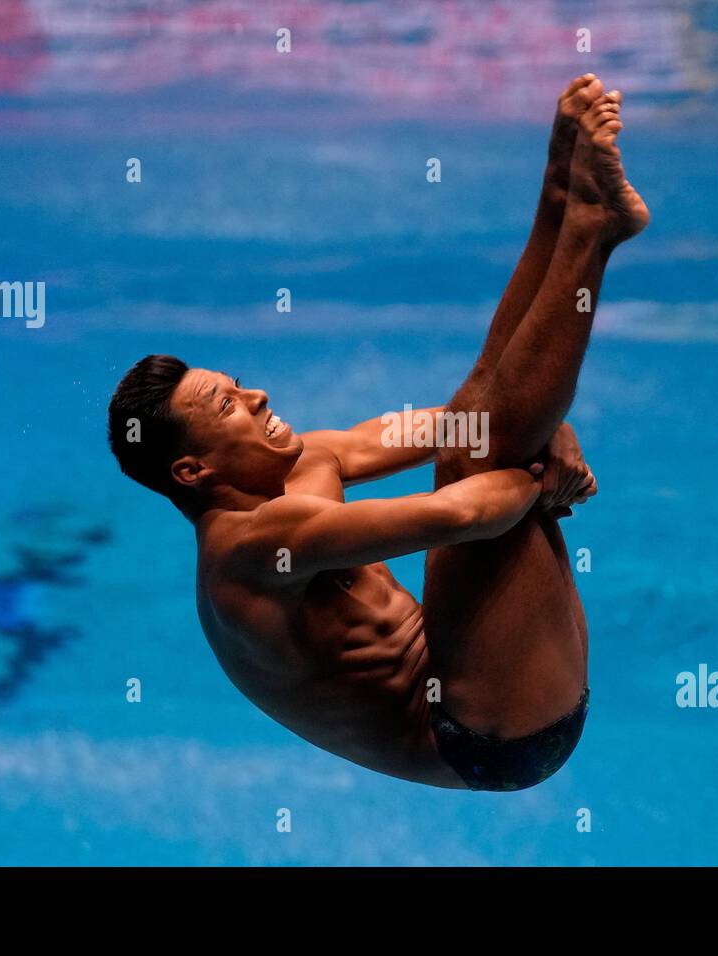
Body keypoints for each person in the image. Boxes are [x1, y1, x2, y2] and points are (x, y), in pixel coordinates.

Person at [107, 75, 648, 789]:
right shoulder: (250, 552)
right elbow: (462, 514)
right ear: (192, 471)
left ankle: (559, 196)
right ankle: (592, 230)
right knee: (473, 456)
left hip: (502, 669)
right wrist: (542, 465)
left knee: (478, 406)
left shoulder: (305, 463)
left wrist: (553, 429)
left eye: (238, 384)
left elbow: (465, 417)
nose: (258, 393)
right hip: (490, 736)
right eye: (230, 404)